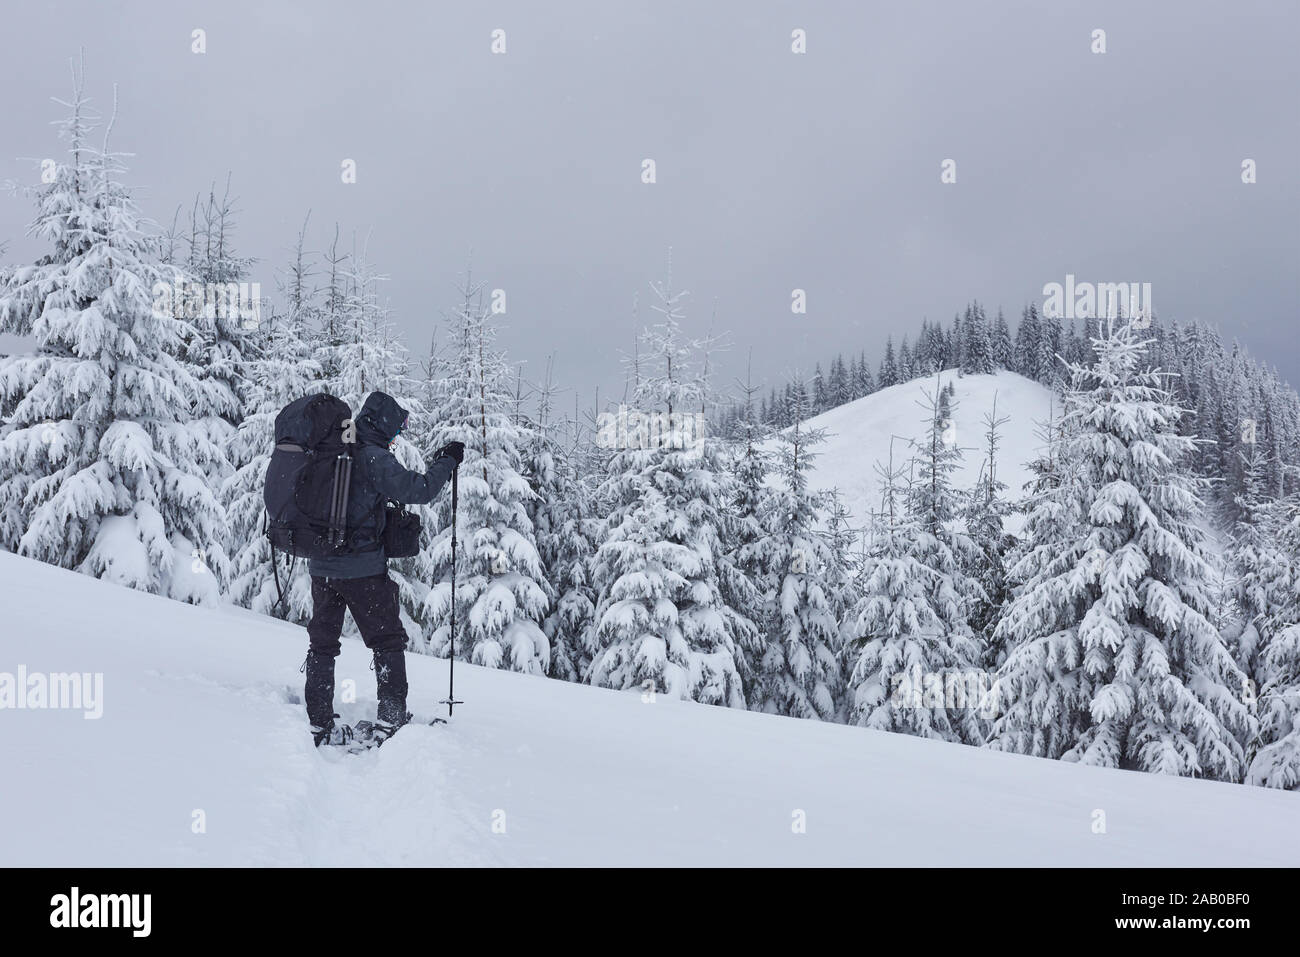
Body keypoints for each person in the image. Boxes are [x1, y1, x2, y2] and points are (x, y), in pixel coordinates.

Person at [304, 391, 464, 747]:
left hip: (321, 568)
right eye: (394, 430)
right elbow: (419, 490)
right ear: (384, 426)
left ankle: (318, 722)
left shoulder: (329, 453)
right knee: (387, 642)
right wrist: (447, 463)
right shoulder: (374, 458)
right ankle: (390, 720)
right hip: (362, 570)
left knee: (322, 644)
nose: (395, 437)